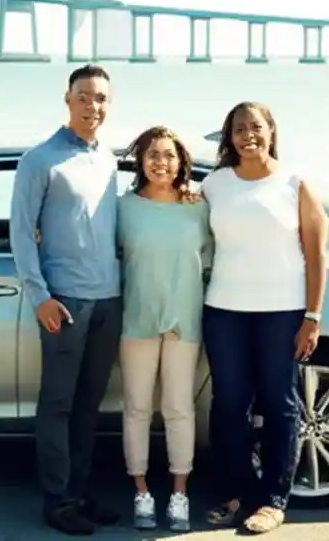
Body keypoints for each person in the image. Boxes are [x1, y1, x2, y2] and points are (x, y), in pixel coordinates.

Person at [200, 101, 329, 535]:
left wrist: (312, 315)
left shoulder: (294, 182)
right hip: (224, 311)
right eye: (239, 129)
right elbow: (180, 225)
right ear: (229, 136)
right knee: (228, 406)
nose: (247, 136)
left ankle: (274, 501)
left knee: (279, 404)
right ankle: (237, 493)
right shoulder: (215, 185)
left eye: (255, 127)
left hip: (282, 311)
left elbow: (317, 254)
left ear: (271, 131)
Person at [10, 64, 123, 536]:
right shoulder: (40, 160)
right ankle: (57, 501)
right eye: (84, 96)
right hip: (64, 302)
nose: (92, 106)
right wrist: (39, 295)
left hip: (109, 300)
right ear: (68, 99)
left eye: (101, 98)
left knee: (88, 405)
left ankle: (79, 492)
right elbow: (20, 232)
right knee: (57, 404)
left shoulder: (109, 159)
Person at [115, 126, 212, 532]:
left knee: (179, 408)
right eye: (153, 154)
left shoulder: (198, 208)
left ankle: (179, 494)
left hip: (183, 323)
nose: (161, 162)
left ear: (181, 161)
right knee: (137, 408)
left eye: (169, 155)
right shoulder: (123, 208)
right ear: (141, 160)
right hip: (136, 321)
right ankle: (140, 492)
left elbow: (212, 259)